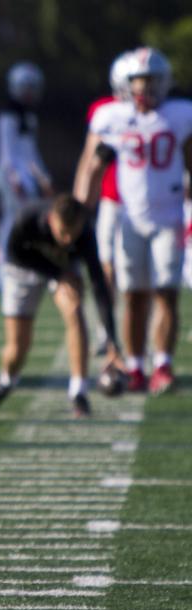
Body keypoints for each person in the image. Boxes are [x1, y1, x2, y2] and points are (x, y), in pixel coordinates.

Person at [76, 47, 191, 395]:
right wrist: (81, 210)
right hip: (129, 217)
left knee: (167, 293)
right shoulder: (111, 118)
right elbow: (91, 166)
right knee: (134, 296)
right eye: (140, 83)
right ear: (124, 85)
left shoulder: (180, 114)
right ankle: (136, 366)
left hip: (168, 216)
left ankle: (163, 365)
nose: (147, 91)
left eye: (153, 83)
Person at [0, 195, 122, 417]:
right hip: (24, 267)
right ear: (52, 219)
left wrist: (112, 340)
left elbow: (98, 285)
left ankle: (79, 392)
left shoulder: (84, 233)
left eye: (72, 234)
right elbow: (15, 253)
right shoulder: (27, 218)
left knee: (74, 309)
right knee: (17, 347)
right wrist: (59, 274)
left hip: (60, 269)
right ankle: (7, 381)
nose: (67, 240)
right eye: (63, 233)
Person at [75, 51, 133, 355]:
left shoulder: (162, 112)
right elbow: (89, 157)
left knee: (137, 278)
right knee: (107, 268)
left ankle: (136, 339)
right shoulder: (105, 112)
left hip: (146, 204)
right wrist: (80, 201)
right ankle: (105, 331)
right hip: (111, 200)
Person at [0, 61, 52, 293]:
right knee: (12, 221)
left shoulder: (28, 114)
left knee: (23, 222)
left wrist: (42, 176)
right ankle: (4, 271)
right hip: (12, 175)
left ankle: (22, 266)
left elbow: (30, 151)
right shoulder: (8, 112)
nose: (29, 92)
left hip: (24, 175)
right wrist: (15, 178)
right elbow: (7, 151)